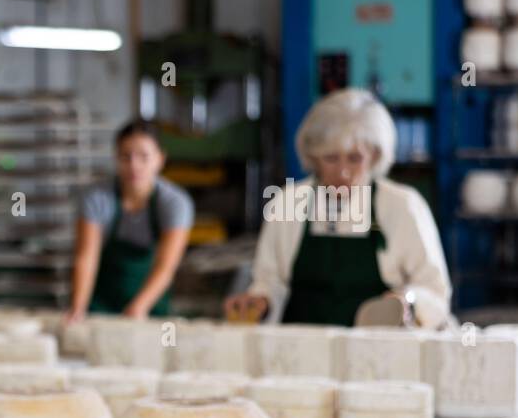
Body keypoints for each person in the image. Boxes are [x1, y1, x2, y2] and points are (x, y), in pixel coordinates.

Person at [225, 88, 452, 328]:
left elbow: (435, 292)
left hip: (380, 356)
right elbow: (269, 281)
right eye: (331, 159)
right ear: (313, 157)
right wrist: (260, 301)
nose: (342, 172)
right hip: (300, 353)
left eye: (355, 158)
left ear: (374, 156)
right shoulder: (288, 203)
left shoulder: (402, 206)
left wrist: (408, 300)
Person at [65, 120, 194, 321]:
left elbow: (165, 267)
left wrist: (138, 308)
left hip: (151, 305)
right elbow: (86, 257)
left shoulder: (175, 203)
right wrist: (78, 309)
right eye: (126, 156)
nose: (134, 165)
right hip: (101, 303)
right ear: (116, 158)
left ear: (160, 159)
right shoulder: (96, 198)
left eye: (144, 157)